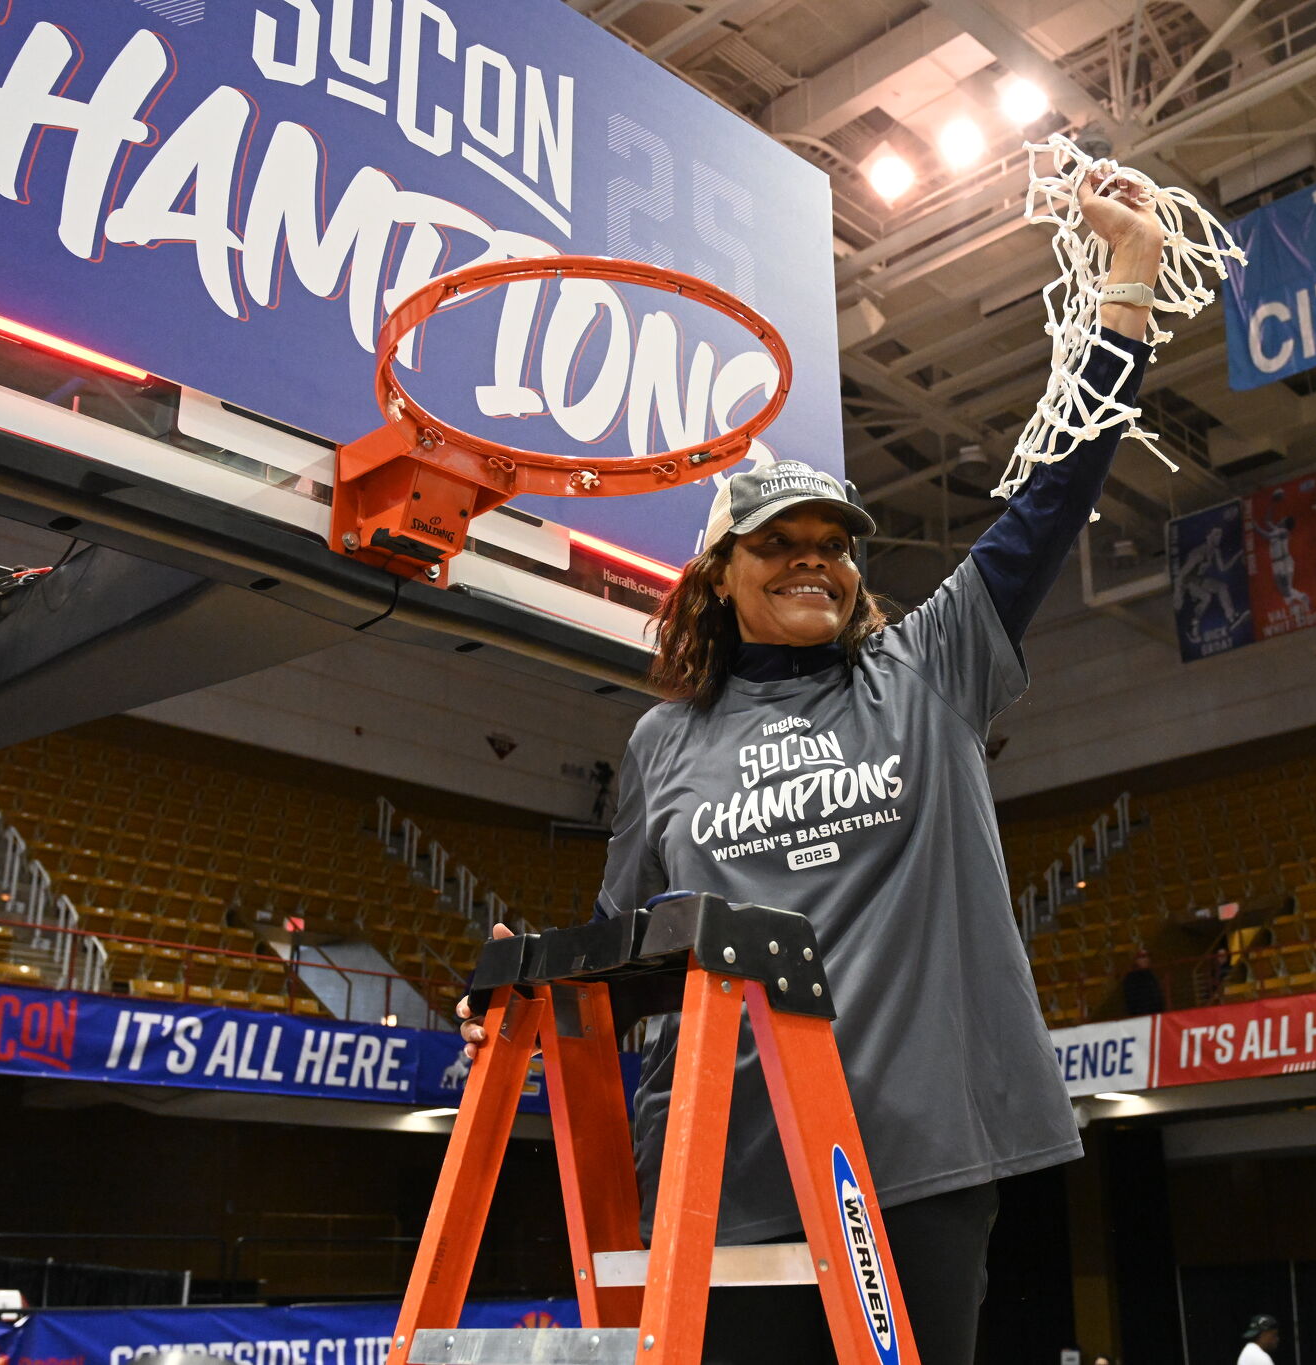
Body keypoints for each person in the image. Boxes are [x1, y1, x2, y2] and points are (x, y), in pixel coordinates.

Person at [460, 168, 1167, 1365]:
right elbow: (625, 948)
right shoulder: (662, 742)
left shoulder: (928, 669)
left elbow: (1051, 500)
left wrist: (1128, 293)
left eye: (832, 547)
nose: (812, 564)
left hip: (912, 1158)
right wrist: (521, 1013)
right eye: (776, 544)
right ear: (717, 578)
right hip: (717, 1168)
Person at [1122, 948, 1165, 1015]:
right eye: (1142, 957)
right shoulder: (1131, 977)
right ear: (1136, 960)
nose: (1146, 959)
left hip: (1155, 1014)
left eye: (1147, 957)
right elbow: (1131, 1000)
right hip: (1141, 1016)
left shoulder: (1151, 974)